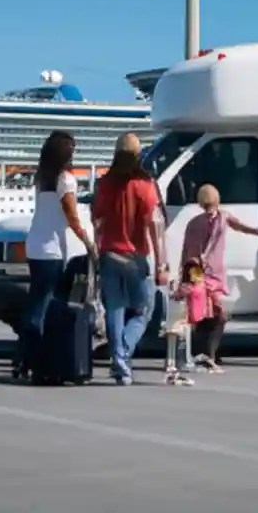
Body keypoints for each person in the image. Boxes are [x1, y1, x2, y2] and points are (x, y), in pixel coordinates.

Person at [13, 130, 96, 381]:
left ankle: (23, 359)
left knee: (36, 303)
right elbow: (72, 216)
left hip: (35, 245)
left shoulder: (42, 178)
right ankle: (37, 361)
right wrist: (88, 242)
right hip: (52, 250)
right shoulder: (66, 179)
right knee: (44, 307)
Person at [91, 132, 166, 386]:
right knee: (145, 310)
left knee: (115, 309)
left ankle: (120, 364)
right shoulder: (146, 185)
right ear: (138, 155)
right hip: (136, 256)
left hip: (109, 254)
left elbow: (97, 222)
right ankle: (121, 355)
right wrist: (162, 263)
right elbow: (155, 225)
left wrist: (96, 251)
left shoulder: (103, 184)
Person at [180, 183, 258, 373]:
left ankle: (205, 352)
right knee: (218, 313)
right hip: (212, 272)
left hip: (197, 272)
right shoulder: (223, 217)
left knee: (204, 312)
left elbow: (186, 251)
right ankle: (209, 354)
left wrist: (184, 275)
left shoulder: (194, 222)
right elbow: (243, 228)